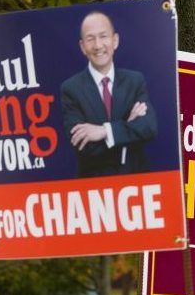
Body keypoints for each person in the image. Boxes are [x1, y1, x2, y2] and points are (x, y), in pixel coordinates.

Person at [60, 11, 157, 178]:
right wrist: (129, 125)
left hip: (138, 186)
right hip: (95, 191)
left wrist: (105, 131)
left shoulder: (135, 81)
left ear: (115, 40)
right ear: (82, 47)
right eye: (90, 39)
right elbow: (84, 147)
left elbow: (149, 127)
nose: (98, 45)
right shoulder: (70, 89)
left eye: (103, 36)